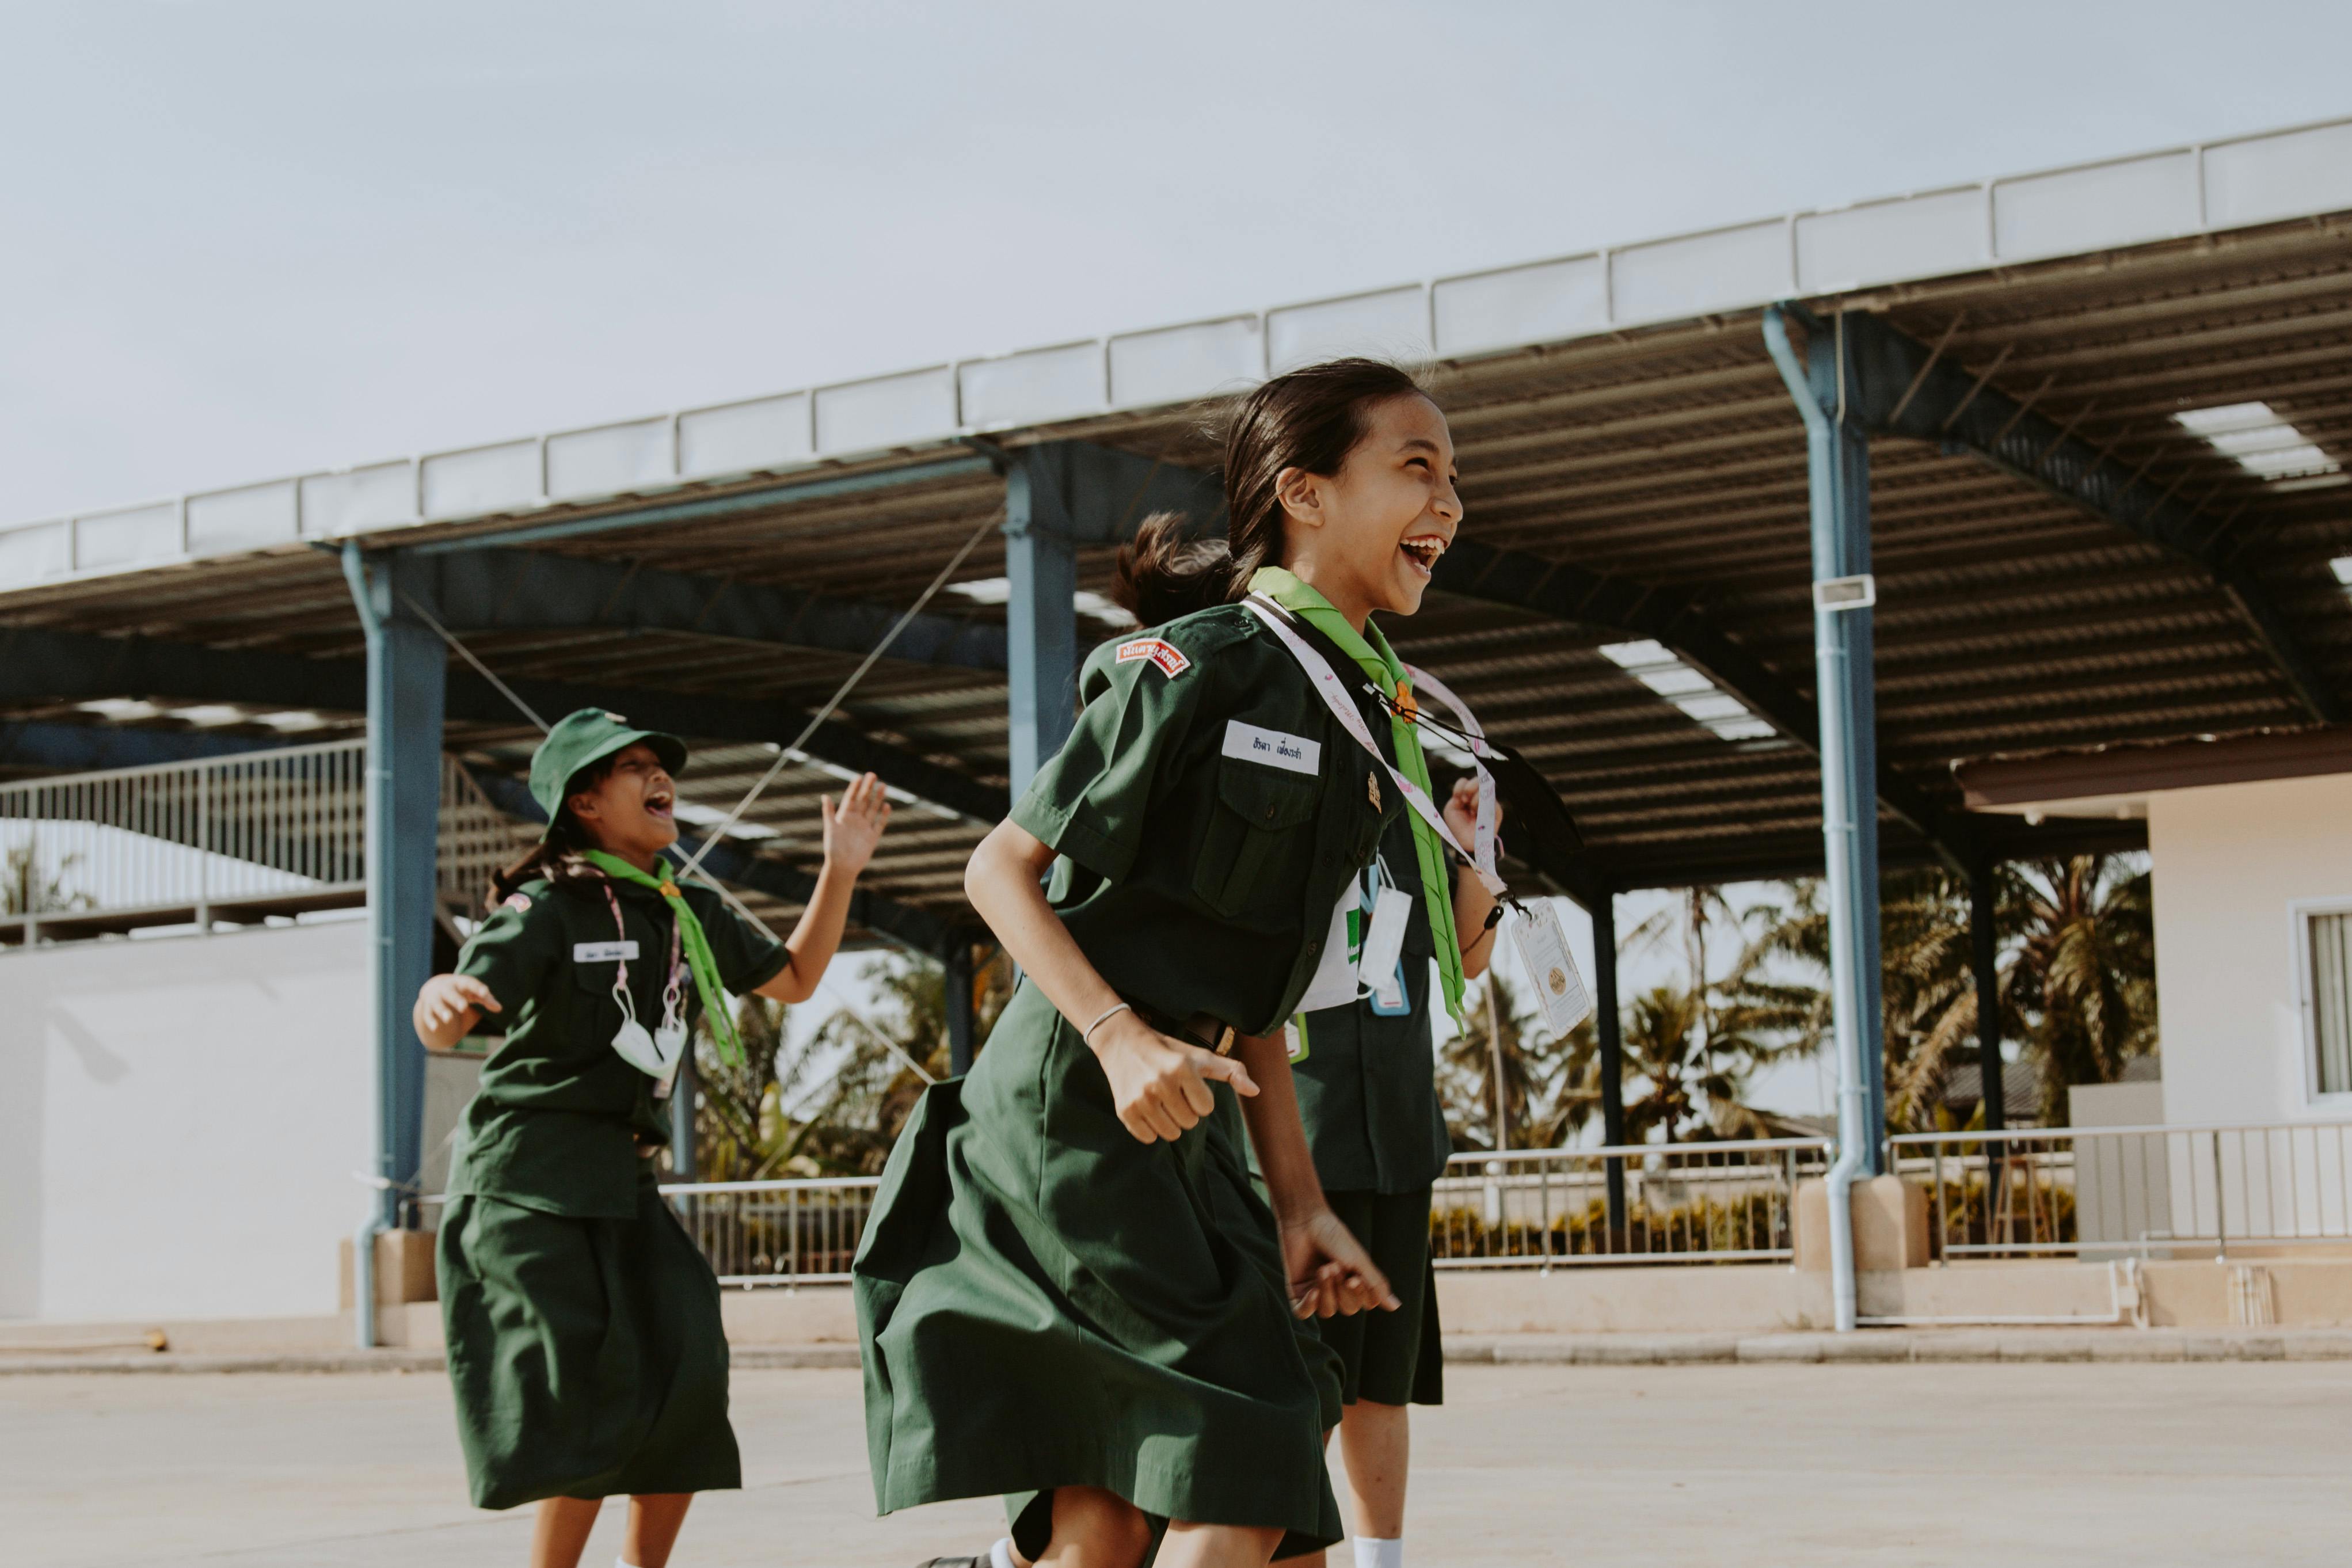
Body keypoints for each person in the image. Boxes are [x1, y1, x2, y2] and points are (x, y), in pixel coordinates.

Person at [858, 358, 1475, 1568]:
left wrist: (1300, 1208)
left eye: (1455, 478)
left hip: (1193, 1128)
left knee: (1126, 1517)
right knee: (1241, 1464)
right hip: (1080, 1116)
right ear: (1303, 493)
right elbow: (999, 871)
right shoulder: (1199, 667)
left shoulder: (1364, 716)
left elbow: (1261, 992)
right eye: (1418, 470)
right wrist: (1115, 1034)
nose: (1452, 504)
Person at [411, 707, 890, 1568]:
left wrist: (840, 870)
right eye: (629, 767)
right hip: (531, 1179)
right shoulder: (547, 904)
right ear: (586, 803)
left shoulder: (686, 902)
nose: (656, 776)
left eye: (656, 763)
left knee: (687, 1371)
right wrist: (435, 1001)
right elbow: (450, 1016)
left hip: (624, 1181)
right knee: (594, 1392)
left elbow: (794, 977)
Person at [1270, 769, 1499, 1568]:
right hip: (1300, 1149)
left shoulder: (1415, 819)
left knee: (1381, 1388)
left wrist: (1472, 853)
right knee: (1307, 1396)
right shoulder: (1278, 797)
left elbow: (1469, 959)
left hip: (1397, 1144)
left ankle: (1382, 1561)